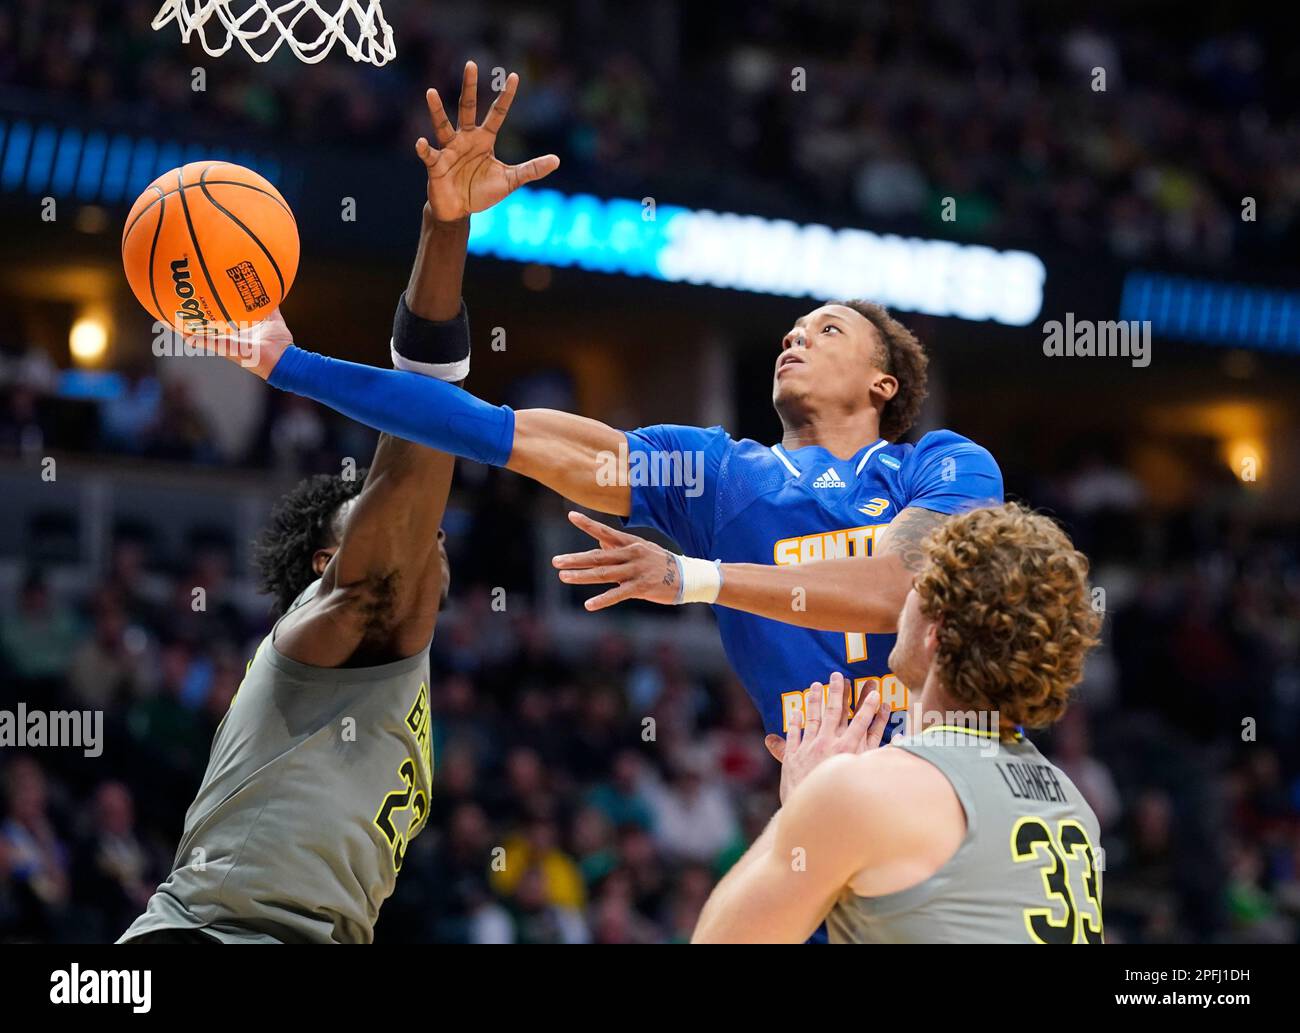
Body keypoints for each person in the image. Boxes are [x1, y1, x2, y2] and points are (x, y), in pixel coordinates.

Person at [203, 137, 1002, 741]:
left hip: (956, 788)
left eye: (826, 330)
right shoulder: (717, 474)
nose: (795, 339)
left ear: (883, 384)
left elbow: (901, 587)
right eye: (791, 330)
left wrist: (693, 577)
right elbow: (486, 429)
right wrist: (289, 361)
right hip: (827, 807)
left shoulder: (944, 465)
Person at [118, 63, 557, 944]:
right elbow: (417, 447)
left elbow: (414, 454)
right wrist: (444, 231)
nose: (413, 519)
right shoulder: (346, 609)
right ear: (329, 557)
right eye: (368, 508)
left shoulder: (383, 655)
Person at [690, 503, 1106, 944]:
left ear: (936, 632)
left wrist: (804, 802)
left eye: (914, 588)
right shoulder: (1072, 802)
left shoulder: (865, 793)